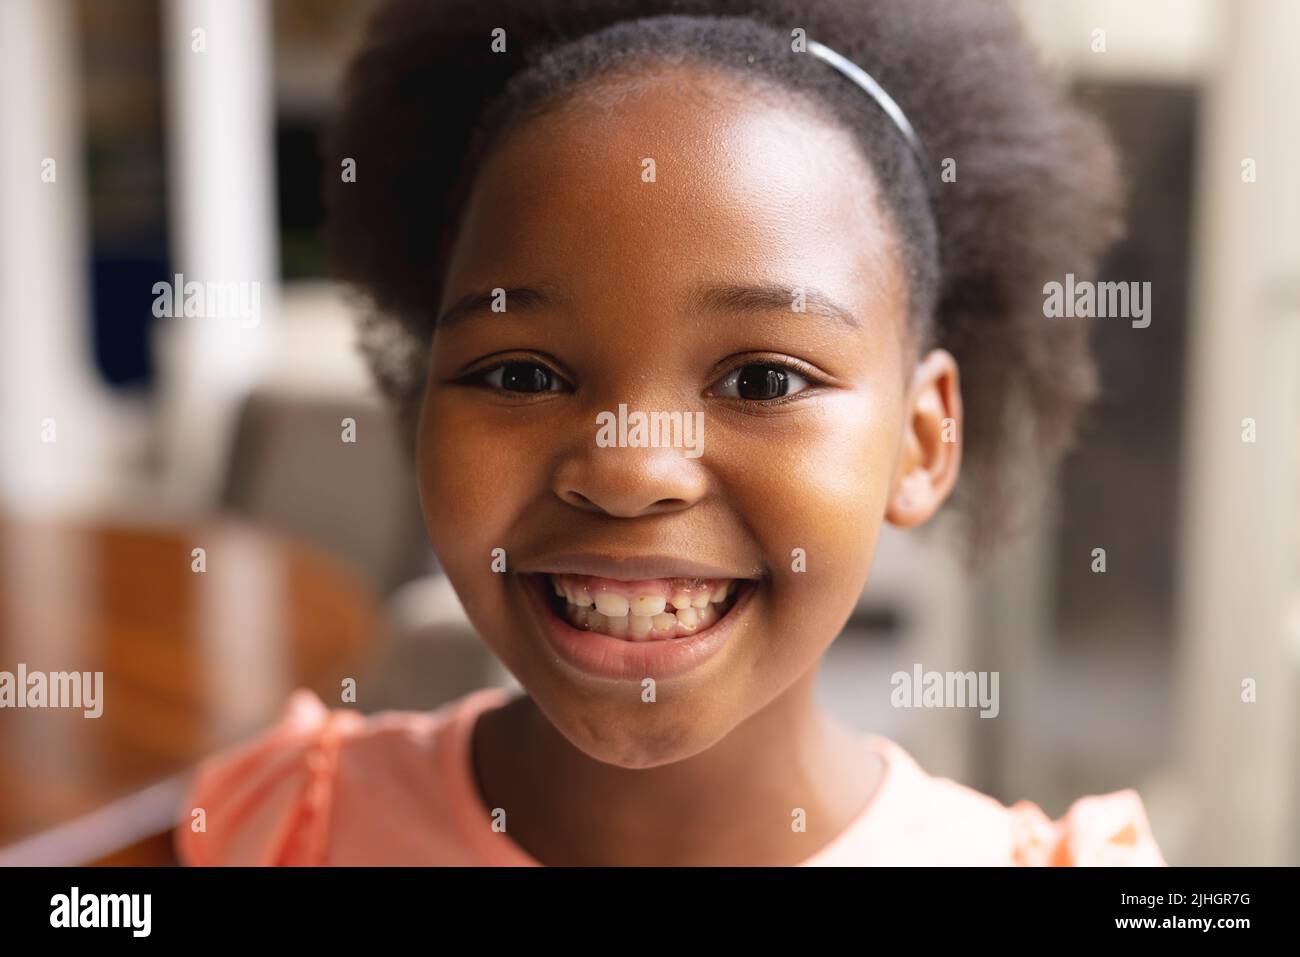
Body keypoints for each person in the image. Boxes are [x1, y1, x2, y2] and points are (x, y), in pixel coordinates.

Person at [175, 0, 1165, 866]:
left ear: (921, 441)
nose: (628, 466)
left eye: (763, 378)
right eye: (519, 374)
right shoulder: (285, 831)